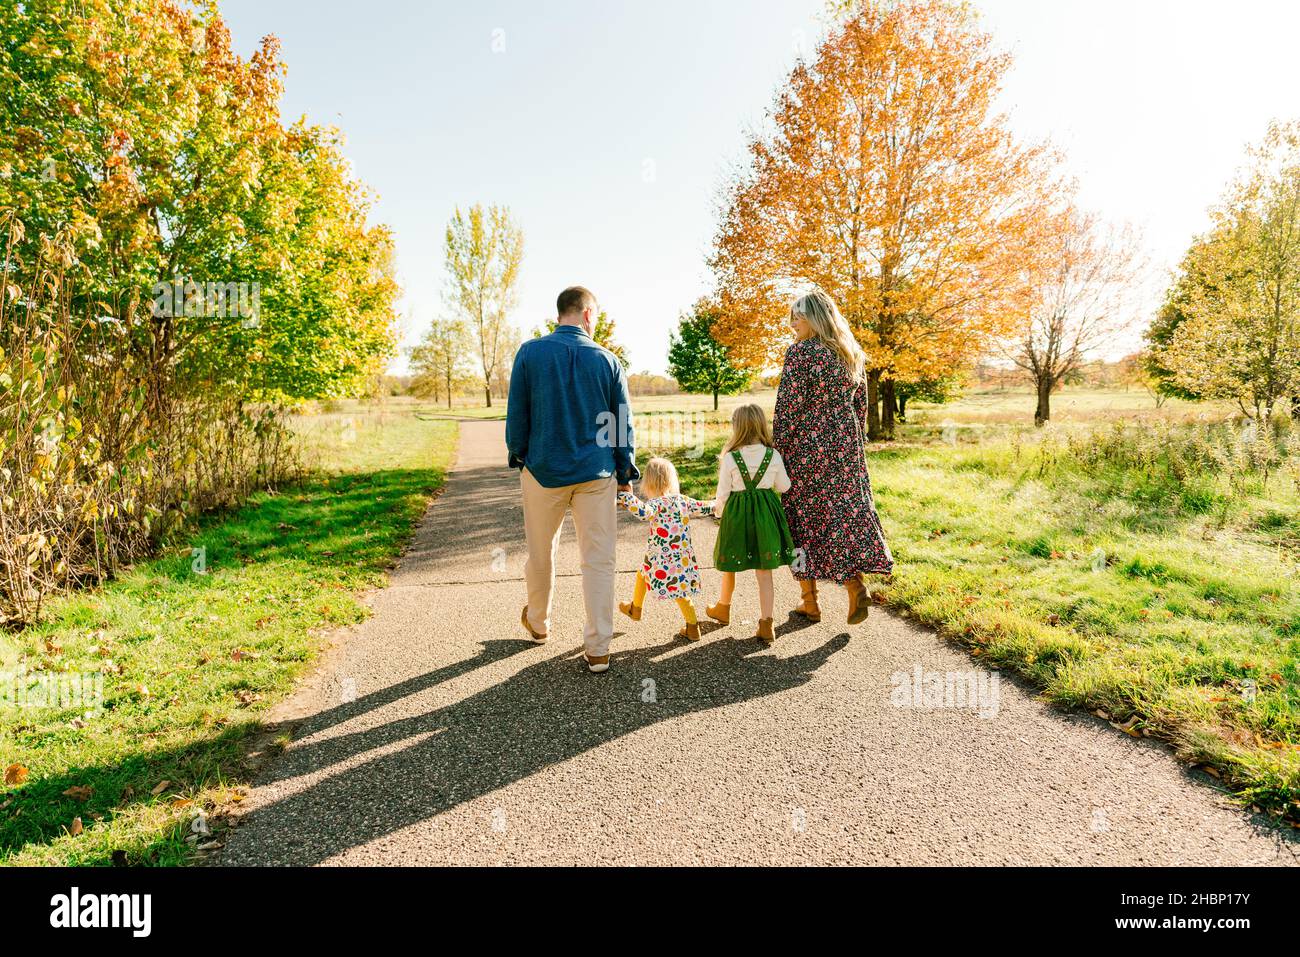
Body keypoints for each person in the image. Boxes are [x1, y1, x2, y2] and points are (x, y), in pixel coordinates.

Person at [505, 285, 640, 673]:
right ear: (586, 314)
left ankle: (539, 623)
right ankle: (598, 646)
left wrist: (521, 456)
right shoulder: (608, 360)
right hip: (595, 473)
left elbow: (518, 415)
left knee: (541, 550)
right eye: (594, 316)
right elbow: (620, 425)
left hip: (543, 469)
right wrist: (624, 472)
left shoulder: (530, 353)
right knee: (598, 559)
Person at [772, 290, 893, 626]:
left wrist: (778, 448)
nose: (792, 324)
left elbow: (788, 406)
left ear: (815, 317)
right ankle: (855, 586)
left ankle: (810, 602)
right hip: (846, 443)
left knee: (802, 517)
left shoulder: (801, 353)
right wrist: (856, 437)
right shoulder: (850, 352)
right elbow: (861, 404)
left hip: (807, 446)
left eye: (798, 316)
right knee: (842, 514)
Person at [706, 404, 795, 646]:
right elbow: (784, 487)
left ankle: (723, 608)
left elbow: (722, 494)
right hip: (766, 515)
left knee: (730, 561)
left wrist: (718, 513)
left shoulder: (731, 458)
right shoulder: (773, 455)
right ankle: (767, 623)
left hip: (737, 515)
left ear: (738, 427)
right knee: (764, 571)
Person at [616, 457, 714, 642]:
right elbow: (703, 507)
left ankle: (689, 625)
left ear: (649, 483)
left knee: (668, 586)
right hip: (680, 555)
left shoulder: (656, 504)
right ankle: (638, 609)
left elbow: (643, 512)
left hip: (659, 557)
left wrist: (625, 497)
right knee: (661, 582)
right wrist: (720, 503)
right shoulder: (682, 500)